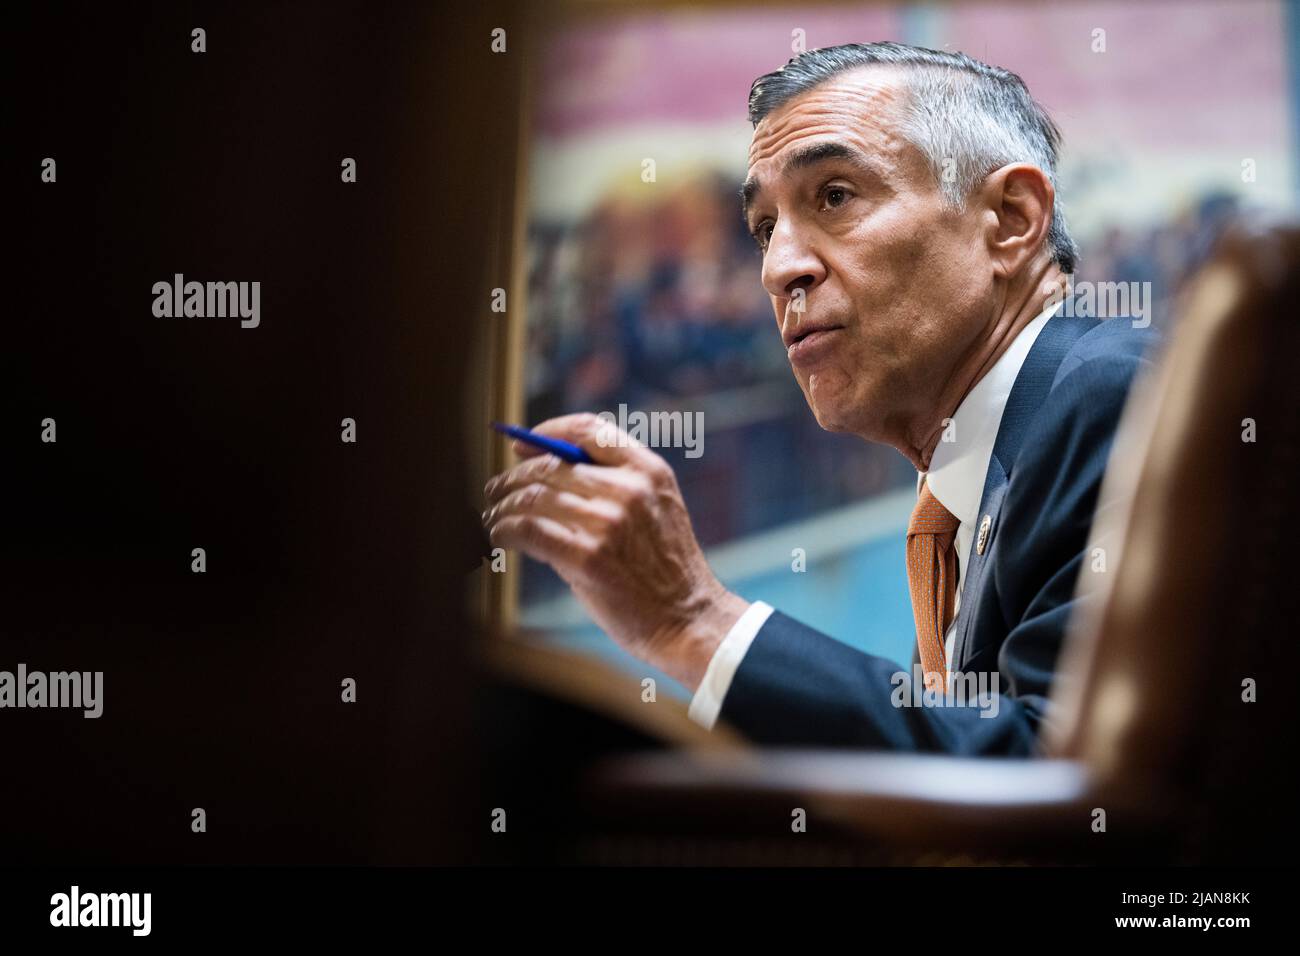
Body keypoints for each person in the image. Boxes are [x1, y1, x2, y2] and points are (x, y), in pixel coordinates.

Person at [482, 42, 1158, 752]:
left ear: (1010, 219)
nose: (779, 269)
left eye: (835, 197)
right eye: (765, 229)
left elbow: (1056, 794)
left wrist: (694, 620)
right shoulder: (996, 455)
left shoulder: (1113, 398)